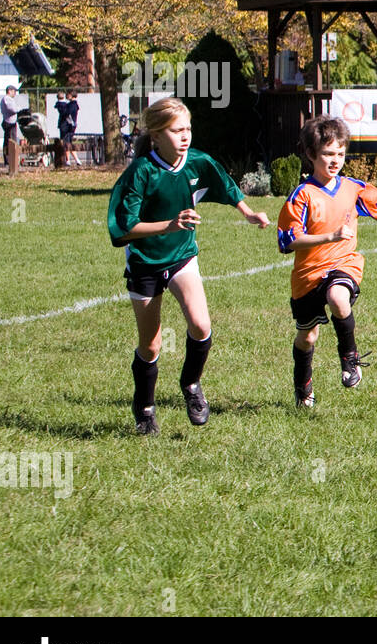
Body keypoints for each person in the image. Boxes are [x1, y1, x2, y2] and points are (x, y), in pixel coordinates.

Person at [106, 97, 271, 435]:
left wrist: (248, 212)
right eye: (176, 130)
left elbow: (225, 184)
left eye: (188, 129)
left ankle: (191, 385)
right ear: (156, 134)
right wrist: (169, 224)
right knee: (151, 345)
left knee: (200, 325)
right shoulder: (141, 172)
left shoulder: (196, 162)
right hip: (145, 263)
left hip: (182, 256)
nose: (185, 136)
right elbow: (124, 228)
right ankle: (145, 408)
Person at [277, 118, 377, 407]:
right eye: (328, 154)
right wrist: (329, 236)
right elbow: (288, 241)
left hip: (343, 263)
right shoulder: (302, 196)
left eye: (341, 154)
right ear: (311, 154)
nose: (335, 161)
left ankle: (349, 359)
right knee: (307, 337)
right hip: (308, 274)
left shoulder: (352, 188)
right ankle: (303, 388)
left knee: (338, 298)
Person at [55, 90, 79, 168]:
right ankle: (75, 160)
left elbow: (66, 113)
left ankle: (69, 160)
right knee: (68, 142)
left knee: (67, 143)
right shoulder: (71, 104)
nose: (67, 96)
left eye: (68, 95)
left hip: (67, 126)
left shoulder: (71, 105)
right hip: (69, 126)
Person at [0, 84, 20, 176]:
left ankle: (11, 159)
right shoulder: (6, 99)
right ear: (10, 91)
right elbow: (12, 109)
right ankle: (9, 160)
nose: (15, 93)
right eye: (14, 91)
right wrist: (18, 109)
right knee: (10, 142)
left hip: (11, 122)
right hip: (9, 123)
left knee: (11, 141)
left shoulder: (9, 99)